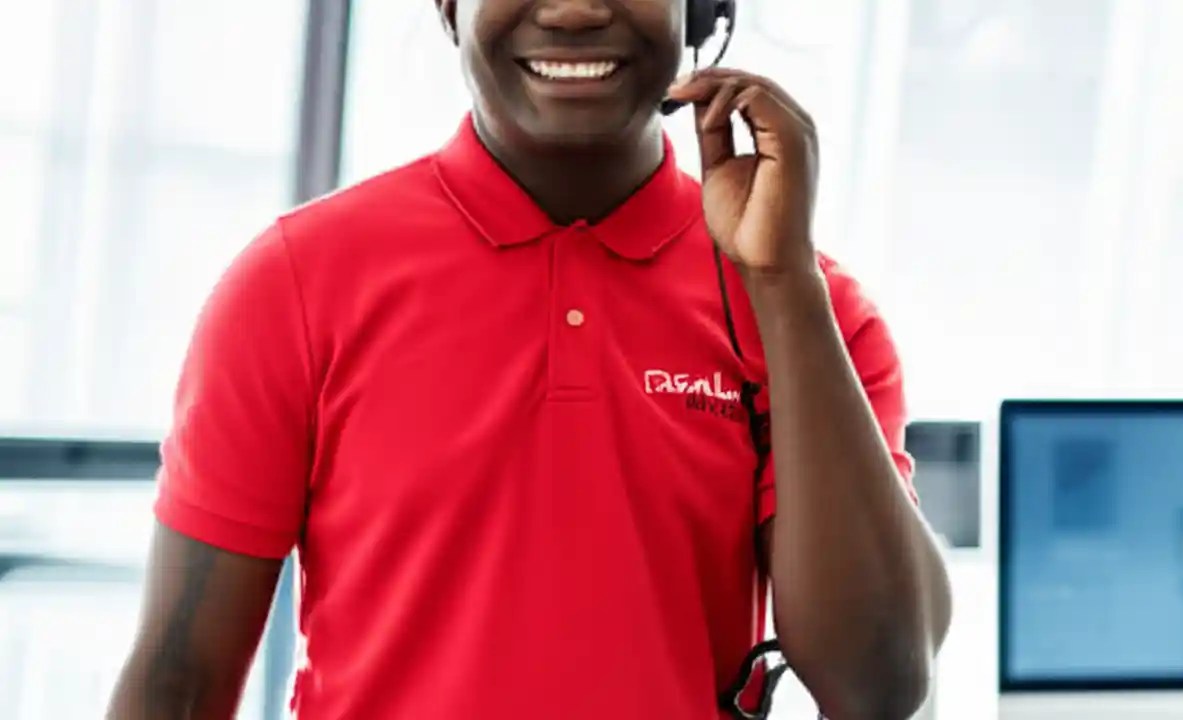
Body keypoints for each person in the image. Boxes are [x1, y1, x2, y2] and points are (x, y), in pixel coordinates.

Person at [107, 0, 951, 717]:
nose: (575, 9)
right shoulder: (295, 282)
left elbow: (878, 684)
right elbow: (179, 683)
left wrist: (783, 285)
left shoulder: (815, 311)